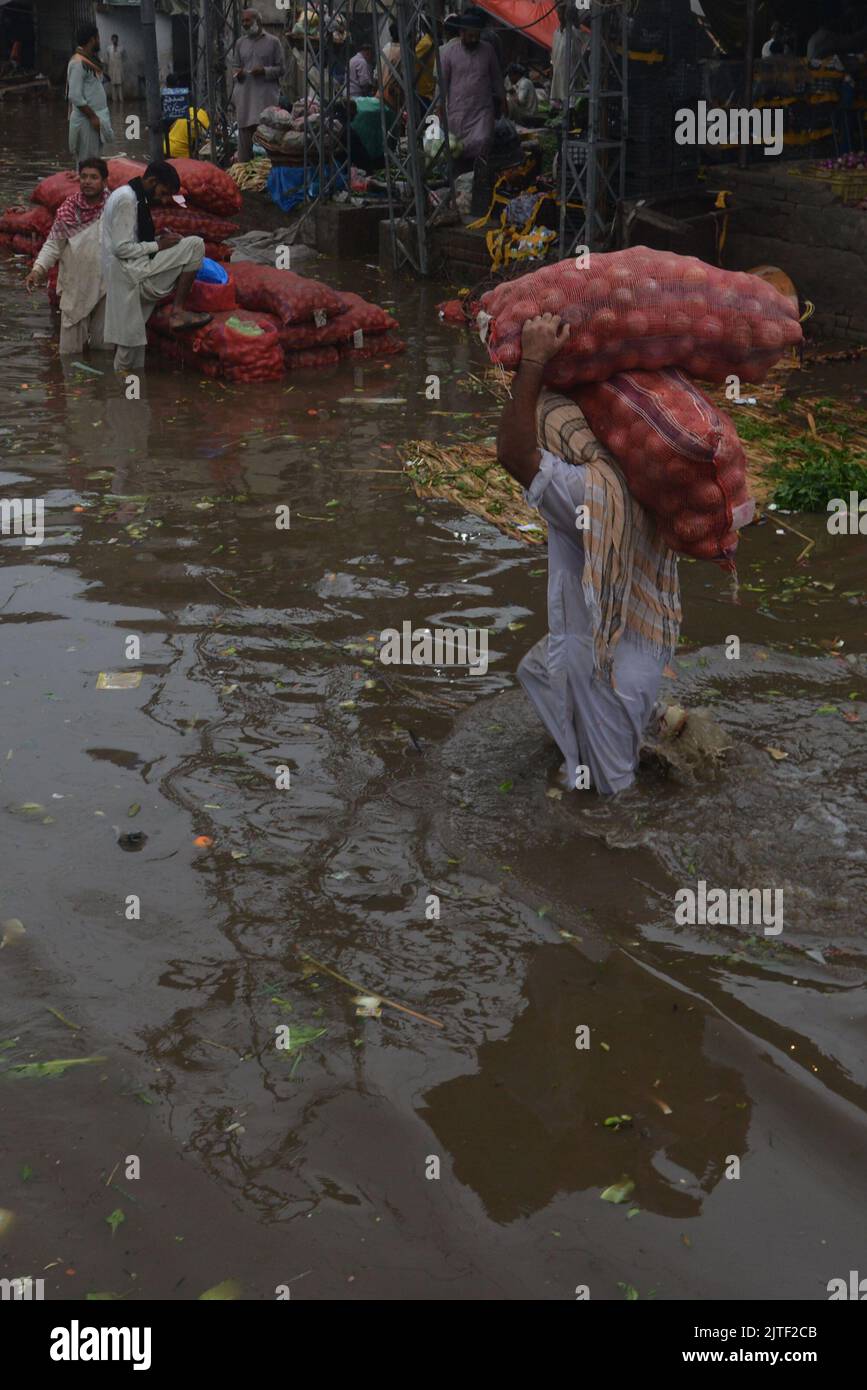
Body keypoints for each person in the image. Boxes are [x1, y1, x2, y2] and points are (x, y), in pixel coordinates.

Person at [497, 314, 681, 795]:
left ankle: (621, 852)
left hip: (607, 673)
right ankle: (638, 730)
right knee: (536, 670)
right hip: (626, 646)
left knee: (612, 805)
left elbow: (514, 453)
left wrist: (534, 359)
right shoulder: (658, 481)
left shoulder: (591, 493)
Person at [102, 160, 210, 374]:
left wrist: (158, 239)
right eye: (162, 192)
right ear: (151, 181)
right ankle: (177, 311)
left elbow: (131, 238)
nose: (163, 199)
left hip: (130, 271)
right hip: (130, 274)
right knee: (195, 245)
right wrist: (158, 245)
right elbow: (121, 248)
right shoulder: (126, 198)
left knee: (134, 345)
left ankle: (128, 399)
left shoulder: (134, 196)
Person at [24, 157, 109, 357]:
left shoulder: (114, 207)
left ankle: (105, 388)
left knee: (104, 350)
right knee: (70, 353)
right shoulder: (69, 210)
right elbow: (53, 245)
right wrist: (37, 270)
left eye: (94, 177)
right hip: (76, 287)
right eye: (84, 177)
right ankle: (69, 388)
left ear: (104, 182)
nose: (87, 181)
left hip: (107, 287)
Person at [438, 11, 504, 164]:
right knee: (458, 148)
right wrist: (440, 104)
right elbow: (442, 82)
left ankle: (479, 173)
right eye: (470, 36)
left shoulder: (488, 50)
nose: (474, 39)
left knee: (483, 140)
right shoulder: (448, 53)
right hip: (458, 109)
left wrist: (502, 98)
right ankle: (462, 177)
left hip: (482, 110)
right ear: (461, 33)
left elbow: (496, 77)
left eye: (477, 36)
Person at [230, 8, 283, 163]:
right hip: (245, 98)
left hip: (265, 97)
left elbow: (282, 69)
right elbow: (235, 66)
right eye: (243, 21)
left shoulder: (273, 42)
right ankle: (244, 173)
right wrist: (237, 73)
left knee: (267, 136)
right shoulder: (240, 43)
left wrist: (264, 71)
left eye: (247, 20)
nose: (244, 24)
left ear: (257, 21)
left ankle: (270, 173)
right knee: (244, 139)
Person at [67, 23, 113, 165]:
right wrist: (92, 117)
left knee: (94, 161)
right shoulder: (78, 63)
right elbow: (74, 96)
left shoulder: (89, 60)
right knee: (87, 164)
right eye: (98, 38)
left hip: (95, 118)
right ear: (92, 39)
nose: (99, 41)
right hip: (87, 121)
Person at [107, 33, 124, 102]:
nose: (114, 40)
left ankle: (121, 99)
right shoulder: (108, 48)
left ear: (117, 40)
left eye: (116, 39)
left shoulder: (121, 48)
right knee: (113, 85)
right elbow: (108, 57)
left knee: (120, 84)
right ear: (111, 40)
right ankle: (114, 100)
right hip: (112, 68)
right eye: (113, 39)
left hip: (119, 68)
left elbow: (124, 58)